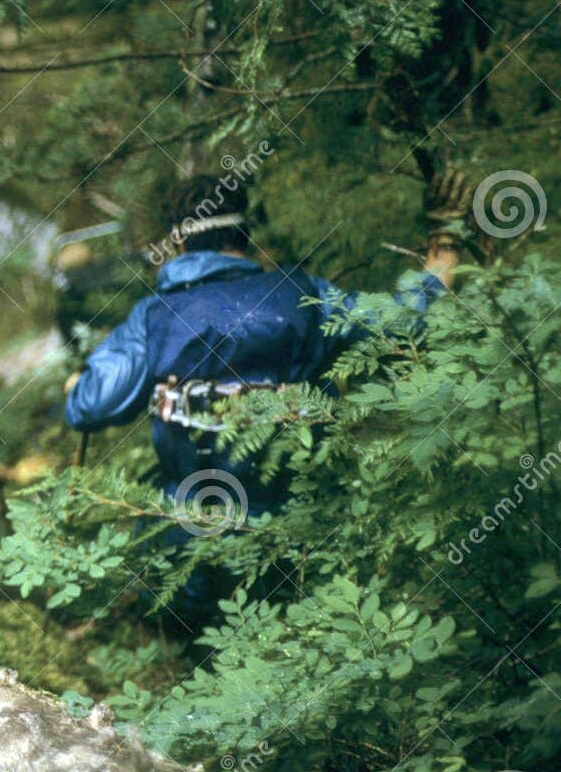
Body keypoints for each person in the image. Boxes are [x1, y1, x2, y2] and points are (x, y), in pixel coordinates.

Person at [63, 173, 459, 618]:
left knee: (186, 619)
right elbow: (403, 322)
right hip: (304, 534)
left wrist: (78, 385)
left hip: (191, 543)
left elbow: (90, 407)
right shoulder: (303, 293)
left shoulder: (154, 317)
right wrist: (442, 257)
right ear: (245, 233)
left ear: (178, 243)